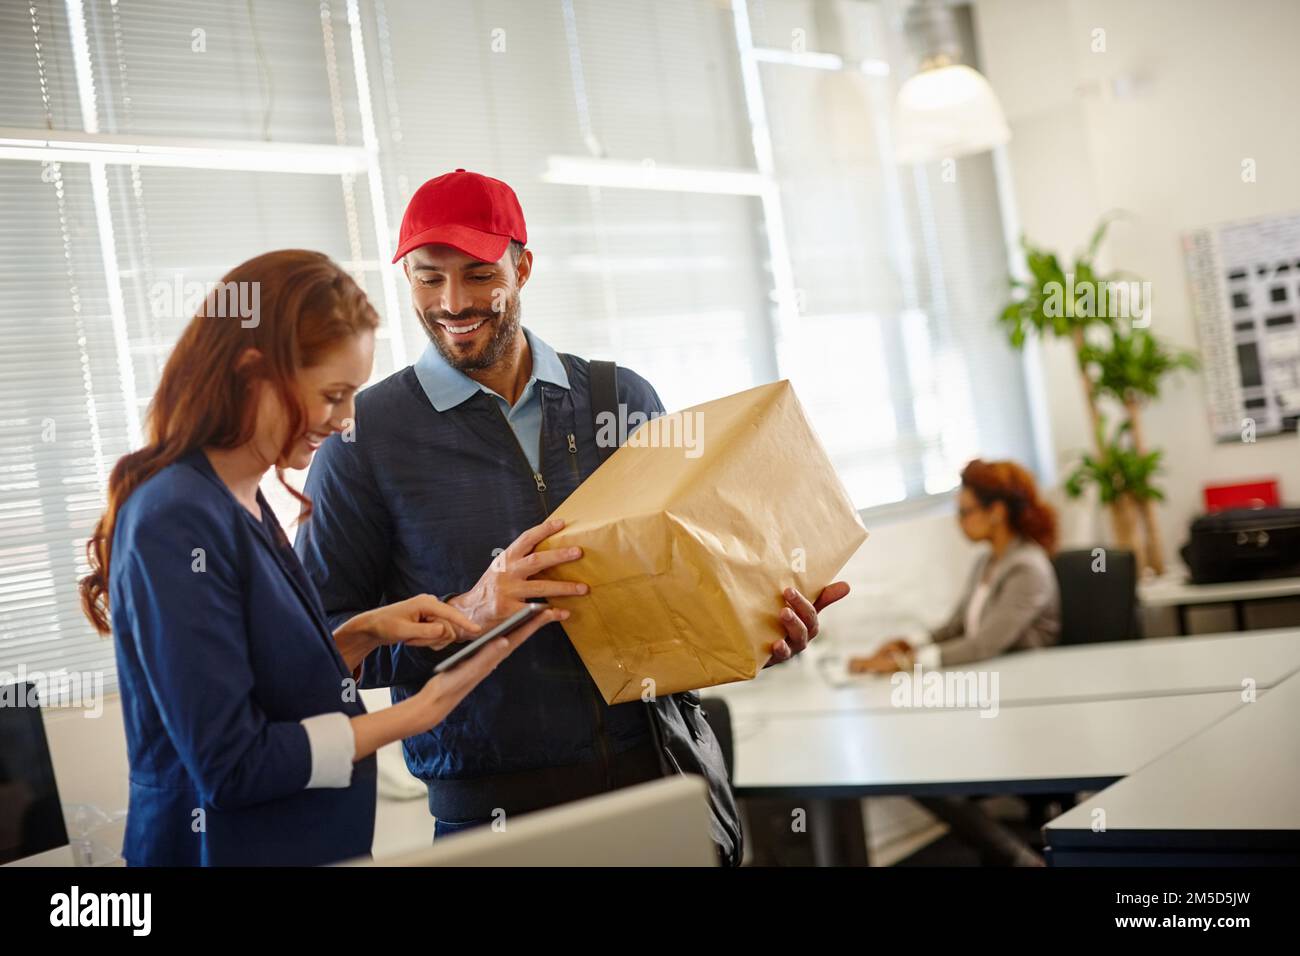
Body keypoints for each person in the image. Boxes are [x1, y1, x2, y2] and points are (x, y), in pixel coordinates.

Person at [295, 170, 851, 866]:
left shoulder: (619, 398)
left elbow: (682, 586)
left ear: (522, 267)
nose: (453, 302)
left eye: (477, 274)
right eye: (428, 279)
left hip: (656, 779)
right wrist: (470, 610)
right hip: (491, 815)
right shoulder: (362, 438)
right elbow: (319, 650)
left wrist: (755, 624)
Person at [78, 250, 561, 866]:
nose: (347, 420)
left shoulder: (243, 500)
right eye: (333, 395)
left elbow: (256, 690)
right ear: (255, 373)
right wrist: (421, 711)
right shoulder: (176, 517)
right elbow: (233, 766)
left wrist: (361, 634)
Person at [850, 458, 1061, 867]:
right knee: (912, 761)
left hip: (1023, 705)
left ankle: (1016, 858)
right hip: (988, 693)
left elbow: (983, 643)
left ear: (996, 512)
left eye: (964, 512)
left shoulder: (1027, 567)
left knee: (919, 769)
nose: (958, 522)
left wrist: (904, 664)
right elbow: (955, 627)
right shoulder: (989, 562)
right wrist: (908, 643)